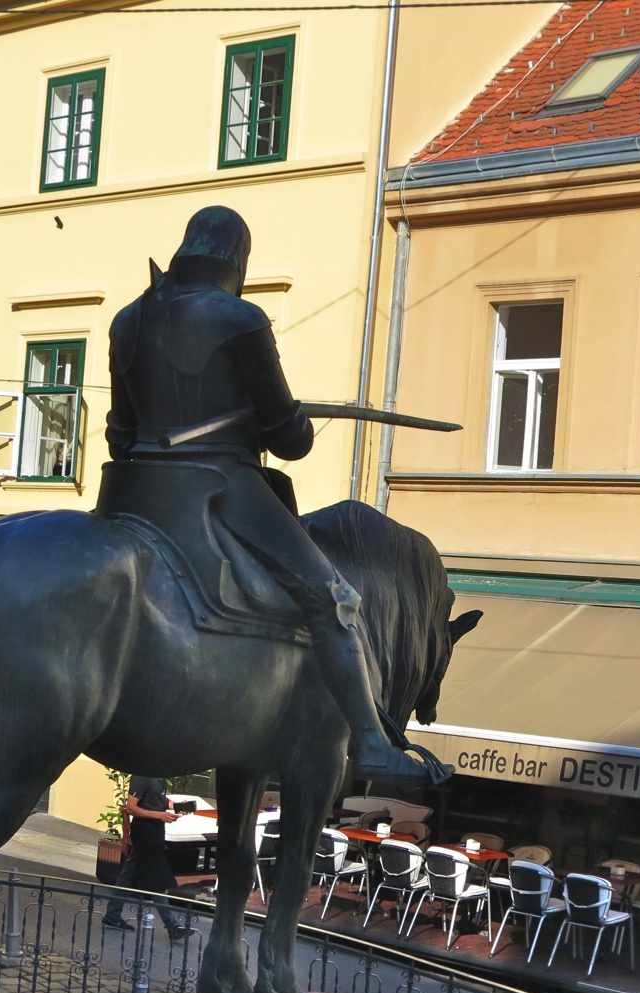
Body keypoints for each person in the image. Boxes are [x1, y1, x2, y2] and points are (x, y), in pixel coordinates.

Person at [104, 206, 445, 791]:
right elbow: (292, 441)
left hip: (134, 496)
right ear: (238, 259)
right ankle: (369, 742)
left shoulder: (128, 319)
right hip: (220, 490)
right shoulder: (240, 318)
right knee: (336, 598)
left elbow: (119, 431)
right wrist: (276, 423)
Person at [102, 776, 190, 940]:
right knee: (156, 876)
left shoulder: (159, 776)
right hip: (144, 832)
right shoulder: (141, 776)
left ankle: (112, 916)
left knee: (127, 874)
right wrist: (159, 815)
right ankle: (172, 926)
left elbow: (158, 798)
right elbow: (131, 808)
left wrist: (175, 806)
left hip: (155, 831)